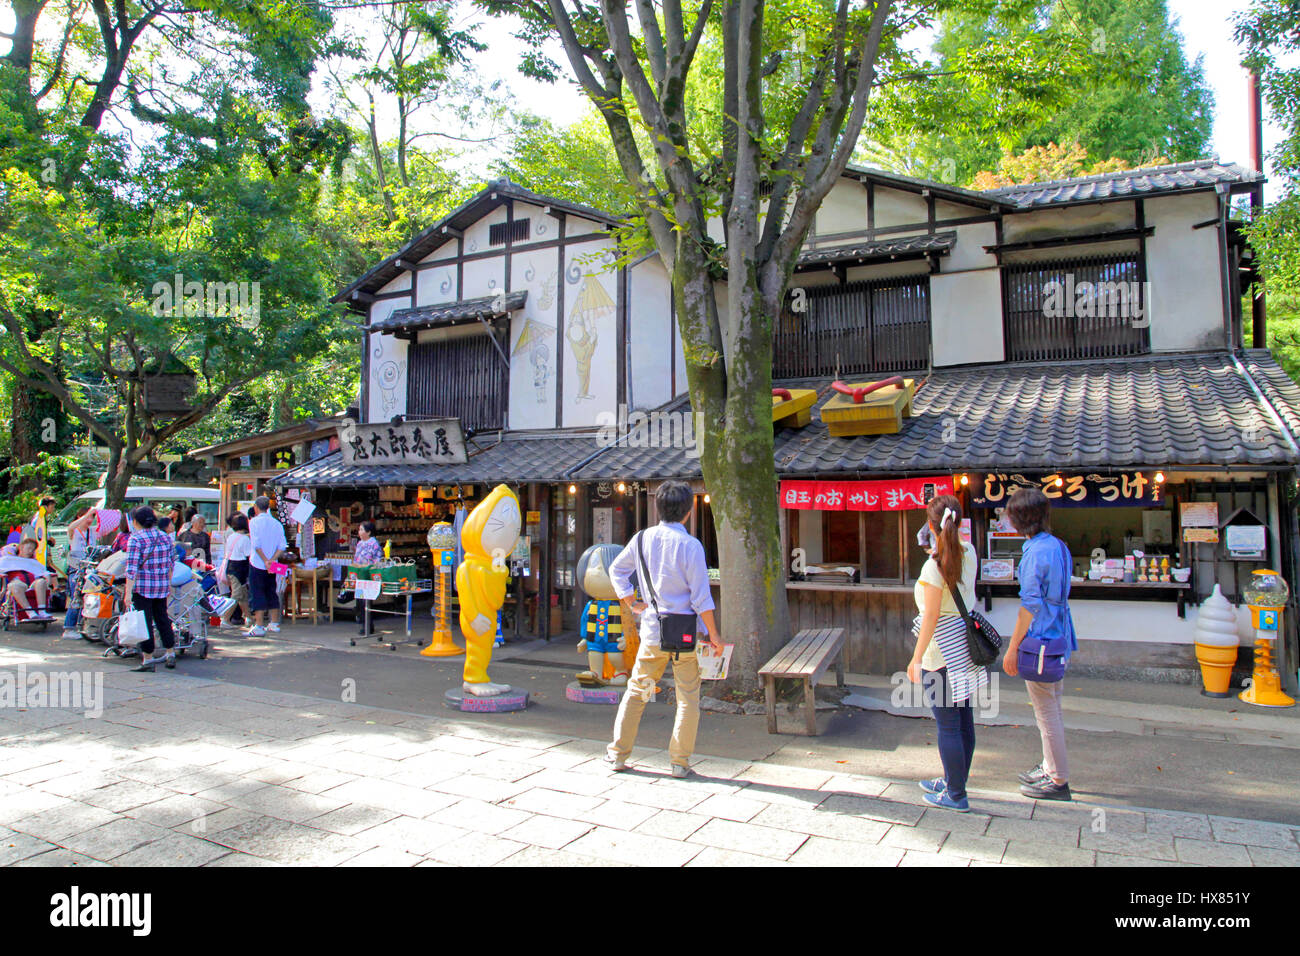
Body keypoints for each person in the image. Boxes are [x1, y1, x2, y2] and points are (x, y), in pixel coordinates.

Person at [604, 480, 721, 778]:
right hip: (685, 635)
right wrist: (714, 635)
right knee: (687, 696)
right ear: (688, 511)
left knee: (639, 690)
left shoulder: (642, 539)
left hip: (653, 632)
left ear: (658, 507)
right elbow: (700, 598)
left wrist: (631, 601)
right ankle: (679, 762)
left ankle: (618, 754)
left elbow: (616, 569)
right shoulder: (691, 546)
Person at [908, 494, 983, 812]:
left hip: (940, 653)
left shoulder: (933, 566)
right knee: (963, 719)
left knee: (948, 725)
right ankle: (956, 781)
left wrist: (915, 657)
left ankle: (956, 794)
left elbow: (932, 616)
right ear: (961, 522)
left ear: (930, 525)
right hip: (965, 648)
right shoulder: (970, 552)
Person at [1003, 487, 1078, 802]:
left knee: (1046, 712)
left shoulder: (1033, 552)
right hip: (1060, 636)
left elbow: (1029, 605)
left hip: (1040, 642)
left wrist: (1012, 648)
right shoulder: (1059, 546)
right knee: (1053, 707)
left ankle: (1057, 779)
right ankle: (1050, 766)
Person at [122, 507, 178, 671]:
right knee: (163, 619)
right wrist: (168, 583)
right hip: (161, 586)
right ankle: (170, 652)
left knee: (144, 622)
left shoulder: (136, 539)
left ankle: (148, 658)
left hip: (142, 587)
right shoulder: (164, 536)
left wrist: (127, 594)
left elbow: (131, 569)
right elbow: (171, 562)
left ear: (135, 521)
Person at [247, 495, 286, 636]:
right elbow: (282, 546)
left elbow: (256, 544)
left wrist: (265, 560)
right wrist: (272, 560)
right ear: (268, 508)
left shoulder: (254, 522)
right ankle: (274, 623)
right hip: (273, 563)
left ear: (256, 508)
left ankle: (258, 625)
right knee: (272, 590)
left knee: (257, 592)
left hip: (257, 562)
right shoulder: (277, 523)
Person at [5, 538, 55, 621]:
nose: (30, 551)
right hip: (18, 583)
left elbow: (45, 572)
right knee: (15, 585)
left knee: (41, 582)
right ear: (21, 547)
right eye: (28, 548)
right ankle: (30, 613)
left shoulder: (34, 562)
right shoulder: (9, 559)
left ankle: (42, 611)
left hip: (33, 584)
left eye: (32, 549)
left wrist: (48, 577)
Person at [222, 513, 252, 629]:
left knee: (243, 595)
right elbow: (248, 554)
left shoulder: (231, 537)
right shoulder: (244, 539)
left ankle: (249, 618)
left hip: (231, 567)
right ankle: (225, 618)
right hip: (240, 568)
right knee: (237, 594)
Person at [352, 521, 381, 638]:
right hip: (359, 575)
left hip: (368, 576)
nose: (359, 532)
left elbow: (376, 560)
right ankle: (365, 624)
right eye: (359, 530)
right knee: (360, 600)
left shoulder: (374, 544)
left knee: (366, 601)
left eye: (362, 530)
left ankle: (368, 625)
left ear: (369, 532)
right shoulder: (359, 544)